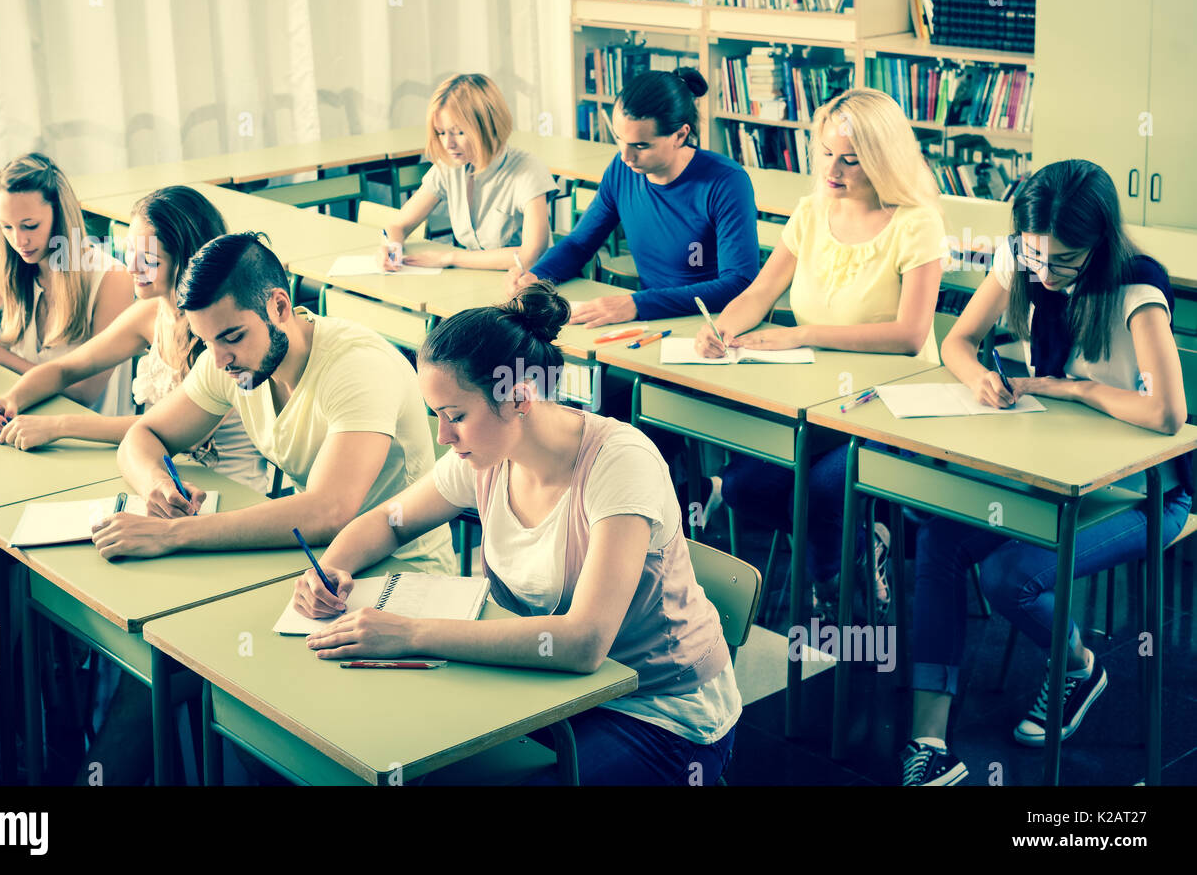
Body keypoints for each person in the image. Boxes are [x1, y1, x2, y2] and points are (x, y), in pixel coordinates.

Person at [290, 283, 740, 786]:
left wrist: (410, 634)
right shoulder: (485, 456)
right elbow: (389, 522)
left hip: (659, 712)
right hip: (540, 692)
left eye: (456, 416)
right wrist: (332, 566)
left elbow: (584, 643)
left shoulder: (620, 464)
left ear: (519, 398)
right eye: (436, 415)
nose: (443, 436)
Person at [901, 159, 1192, 786]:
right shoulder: (1022, 261)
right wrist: (978, 375)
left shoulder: (1137, 291)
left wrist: (1077, 388)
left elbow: (1168, 413)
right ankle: (928, 744)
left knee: (1011, 576)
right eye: (1036, 256)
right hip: (1054, 473)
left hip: (1143, 491)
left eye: (1064, 262)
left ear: (1100, 245)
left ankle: (1079, 666)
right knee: (941, 539)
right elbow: (958, 340)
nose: (1047, 274)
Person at [695, 88, 946, 618]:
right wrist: (719, 329)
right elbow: (762, 293)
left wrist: (805, 334)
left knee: (826, 487)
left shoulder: (916, 222)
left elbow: (909, 334)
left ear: (882, 159)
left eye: (851, 159)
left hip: (894, 404)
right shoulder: (812, 212)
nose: (834, 169)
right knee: (742, 485)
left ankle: (832, 588)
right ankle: (855, 554)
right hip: (817, 396)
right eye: (826, 154)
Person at [93, 231, 455, 575]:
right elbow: (142, 436)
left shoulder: (357, 368)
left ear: (279, 306)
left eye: (232, 337)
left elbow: (329, 511)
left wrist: (173, 534)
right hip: (311, 558)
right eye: (206, 342)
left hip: (404, 570)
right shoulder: (231, 361)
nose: (219, 360)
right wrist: (155, 484)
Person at [0, 185, 268, 491]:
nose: (131, 268)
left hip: (228, 487)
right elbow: (68, 368)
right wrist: (12, 399)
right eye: (129, 252)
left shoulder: (218, 333)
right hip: (163, 474)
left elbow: (165, 429)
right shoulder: (151, 312)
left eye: (149, 260)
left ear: (185, 262)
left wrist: (59, 425)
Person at [506, 68, 759, 327]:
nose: (625, 156)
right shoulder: (622, 170)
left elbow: (738, 284)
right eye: (619, 138)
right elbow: (580, 245)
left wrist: (638, 304)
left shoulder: (727, 182)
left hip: (714, 324)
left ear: (680, 135)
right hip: (652, 320)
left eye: (641, 146)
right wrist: (537, 276)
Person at [0, 152, 134, 413]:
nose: (19, 241)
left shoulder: (112, 278)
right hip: (24, 421)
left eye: (30, 225)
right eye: (6, 227)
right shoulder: (10, 266)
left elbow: (84, 393)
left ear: (60, 216)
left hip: (86, 438)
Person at [378, 73, 556, 272]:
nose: (448, 144)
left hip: (531, 287)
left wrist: (450, 257)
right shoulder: (450, 166)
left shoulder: (528, 171)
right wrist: (392, 249)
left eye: (459, 132)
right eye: (441, 132)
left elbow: (531, 257)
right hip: (478, 280)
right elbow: (398, 225)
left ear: (488, 125)